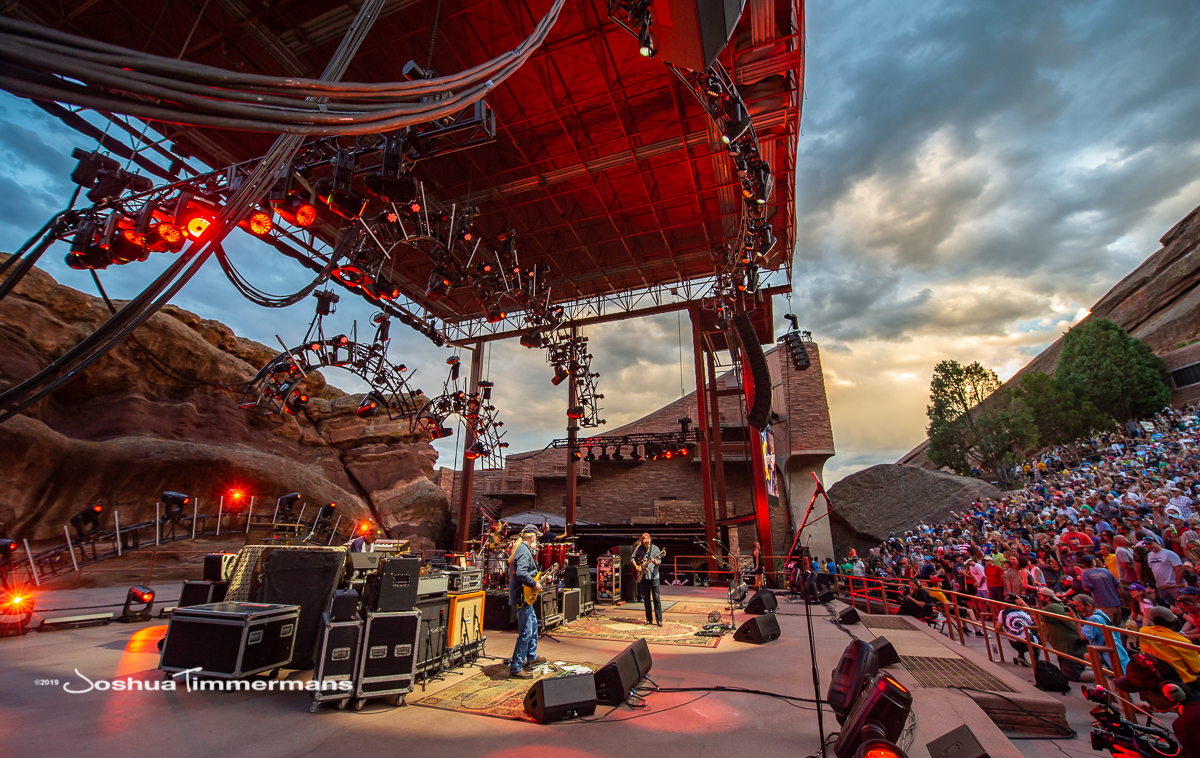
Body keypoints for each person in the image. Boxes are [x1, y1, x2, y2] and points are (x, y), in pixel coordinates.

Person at [1114, 654, 1200, 758]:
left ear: (1167, 690)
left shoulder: (1190, 721)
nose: (1142, 698)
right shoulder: (1191, 709)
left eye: (1144, 692)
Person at [508, 525, 545, 679]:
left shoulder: (523, 549)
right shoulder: (523, 550)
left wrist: (538, 579)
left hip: (524, 596)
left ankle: (531, 657)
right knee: (526, 631)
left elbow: (527, 573)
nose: (537, 538)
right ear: (530, 536)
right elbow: (521, 573)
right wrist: (534, 583)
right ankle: (516, 667)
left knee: (533, 625)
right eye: (536, 536)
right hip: (521, 598)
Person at [1036, 587, 1090, 682]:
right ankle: (1101, 672)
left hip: (1071, 648)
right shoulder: (1055, 606)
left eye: (1040, 597)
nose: (1038, 599)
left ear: (1047, 598)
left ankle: (1105, 675)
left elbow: (1036, 615)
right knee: (1068, 674)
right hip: (1066, 648)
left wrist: (1022, 604)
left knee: (1075, 675)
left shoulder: (1052, 607)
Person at [1140, 606, 1200, 684]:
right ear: (1174, 622)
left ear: (1152, 620)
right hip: (1182, 681)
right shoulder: (1181, 641)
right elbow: (1197, 666)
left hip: (1157, 677)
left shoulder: (1143, 631)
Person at [1071, 593, 1129, 672]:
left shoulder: (1095, 619)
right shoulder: (1100, 614)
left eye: (1077, 606)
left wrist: (1075, 619)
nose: (1076, 609)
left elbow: (1083, 636)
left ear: (1089, 606)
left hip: (1110, 655)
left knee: (1120, 675)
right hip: (1113, 652)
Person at [632, 532, 664, 626]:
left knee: (656, 598)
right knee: (646, 598)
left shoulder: (656, 549)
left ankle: (659, 620)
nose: (647, 543)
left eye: (648, 541)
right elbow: (632, 558)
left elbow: (659, 562)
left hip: (654, 576)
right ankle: (649, 619)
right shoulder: (639, 548)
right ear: (642, 541)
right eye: (645, 542)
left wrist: (655, 563)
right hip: (644, 576)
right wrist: (637, 567)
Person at [1079, 553, 1124, 622]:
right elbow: (1118, 586)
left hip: (1103, 605)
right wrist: (1121, 598)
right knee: (1118, 625)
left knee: (1107, 626)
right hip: (1116, 602)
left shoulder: (1085, 573)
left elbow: (1087, 588)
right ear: (1093, 562)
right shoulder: (1105, 570)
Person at [1147, 539, 1186, 604]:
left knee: (1181, 603)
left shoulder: (1169, 553)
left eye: (1150, 544)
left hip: (1173, 585)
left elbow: (1179, 568)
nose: (1149, 546)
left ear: (1157, 543)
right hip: (1161, 586)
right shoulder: (1149, 555)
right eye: (1147, 545)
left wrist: (1178, 583)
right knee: (1167, 605)